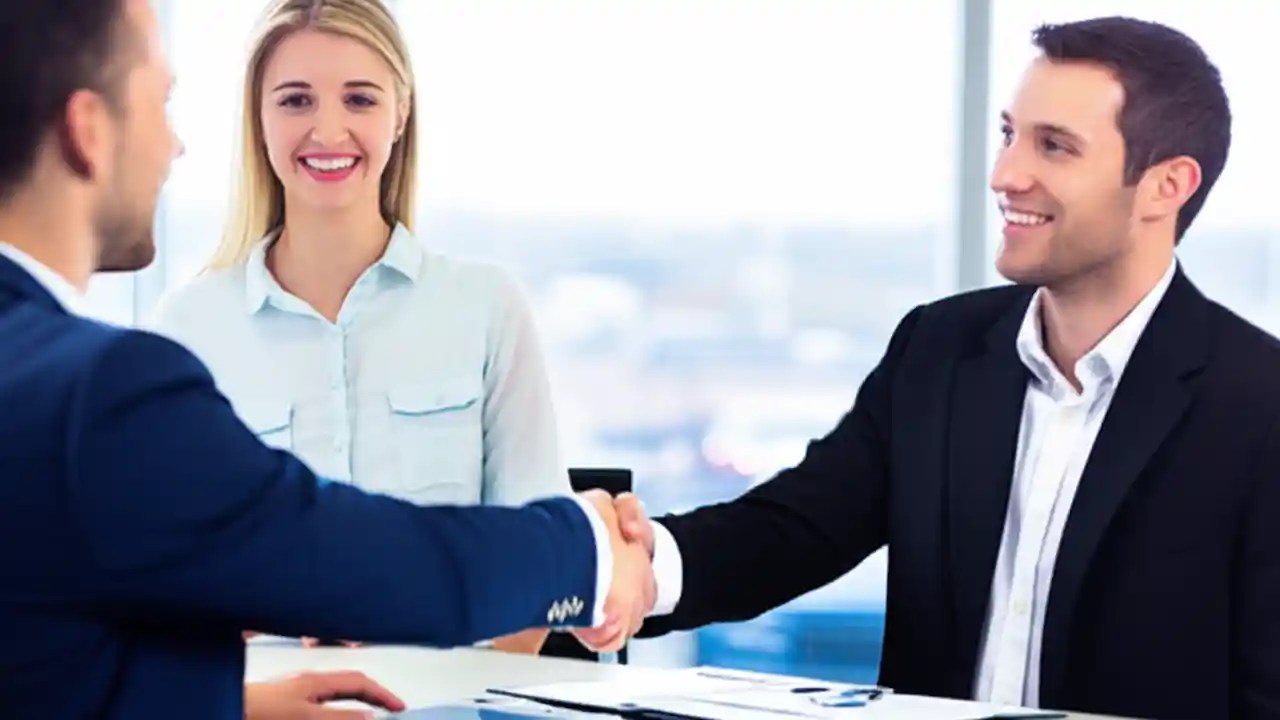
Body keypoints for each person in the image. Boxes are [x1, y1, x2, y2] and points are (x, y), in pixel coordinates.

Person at [579, 16, 1280, 720]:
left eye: (1055, 147)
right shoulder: (939, 348)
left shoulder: (1257, 402)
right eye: (1009, 134)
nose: (1006, 175)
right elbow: (794, 530)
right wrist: (639, 566)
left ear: (1166, 186)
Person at [0, 1, 653, 719]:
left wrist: (243, 701)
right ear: (90, 131)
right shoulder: (114, 378)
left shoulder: (44, 371)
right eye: (159, 102)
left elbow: (63, 661)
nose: (177, 147)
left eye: (360, 98)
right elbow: (344, 560)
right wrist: (584, 549)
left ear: (400, 113)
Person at [149, 0, 563, 656]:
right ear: (258, 120)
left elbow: (545, 567)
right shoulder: (189, 328)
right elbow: (158, 582)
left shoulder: (486, 308)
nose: (328, 130)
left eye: (360, 100)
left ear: (401, 114)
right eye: (295, 101)